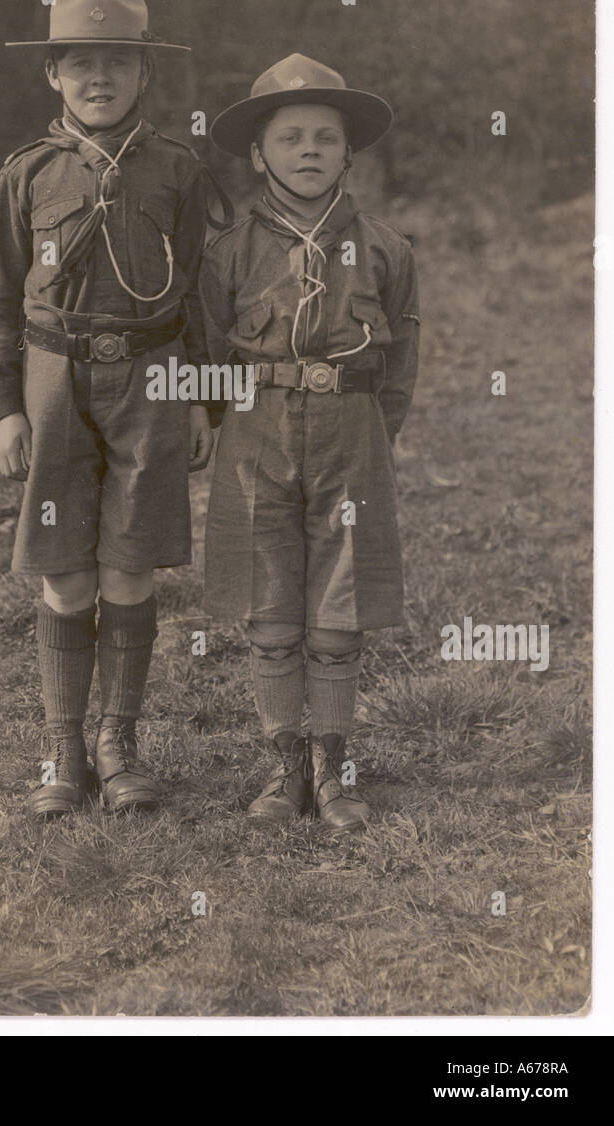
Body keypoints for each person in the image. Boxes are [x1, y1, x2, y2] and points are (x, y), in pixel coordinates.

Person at [0, 0, 214, 818]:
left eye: (118, 61)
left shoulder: (178, 171)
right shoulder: (28, 174)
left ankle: (120, 742)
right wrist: (5, 405)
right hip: (52, 382)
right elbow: (1, 295)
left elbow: (201, 293)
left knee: (127, 566)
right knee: (63, 571)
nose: (99, 79)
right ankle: (62, 748)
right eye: (80, 62)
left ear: (145, 73)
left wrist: (201, 396)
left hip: (152, 381)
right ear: (53, 74)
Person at [199, 54, 420, 829]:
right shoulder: (226, 253)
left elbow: (399, 365)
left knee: (339, 603)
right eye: (288, 137)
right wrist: (217, 428)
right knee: (269, 606)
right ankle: (282, 766)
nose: (308, 151)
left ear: (348, 152)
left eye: (324, 137)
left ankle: (333, 768)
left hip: (349, 437)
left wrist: (369, 432)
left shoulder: (387, 248)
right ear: (258, 154)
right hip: (255, 436)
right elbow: (204, 355)